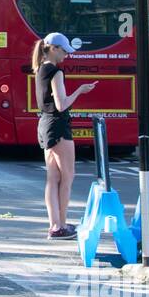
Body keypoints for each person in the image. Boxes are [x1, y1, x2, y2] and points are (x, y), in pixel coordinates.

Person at [34, 32, 95, 240]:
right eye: (64, 51)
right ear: (53, 48)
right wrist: (79, 91)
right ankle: (60, 225)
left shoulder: (40, 69)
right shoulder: (56, 73)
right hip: (59, 126)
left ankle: (55, 225)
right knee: (68, 177)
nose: (67, 55)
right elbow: (61, 104)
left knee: (52, 179)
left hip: (45, 125)